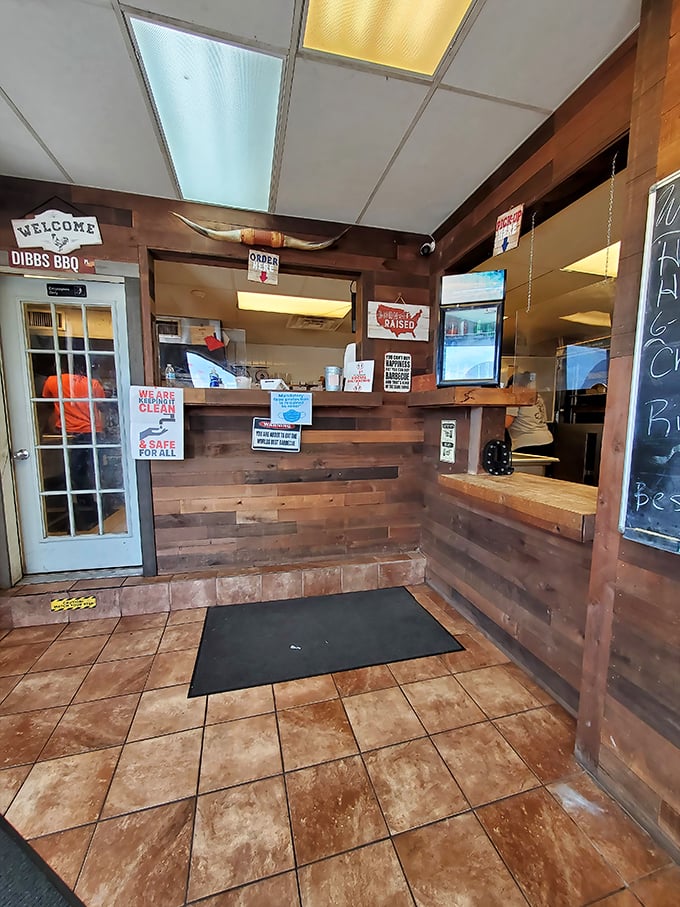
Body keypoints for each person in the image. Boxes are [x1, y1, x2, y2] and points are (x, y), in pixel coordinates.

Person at [42, 356, 106, 501]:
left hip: (67, 434)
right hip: (92, 432)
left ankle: (81, 501)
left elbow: (46, 404)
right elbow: (102, 406)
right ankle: (93, 503)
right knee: (94, 470)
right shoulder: (93, 384)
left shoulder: (52, 381)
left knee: (73, 471)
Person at [505, 372, 554, 454]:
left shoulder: (515, 396)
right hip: (547, 440)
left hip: (528, 443)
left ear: (513, 385)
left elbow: (506, 423)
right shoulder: (536, 396)